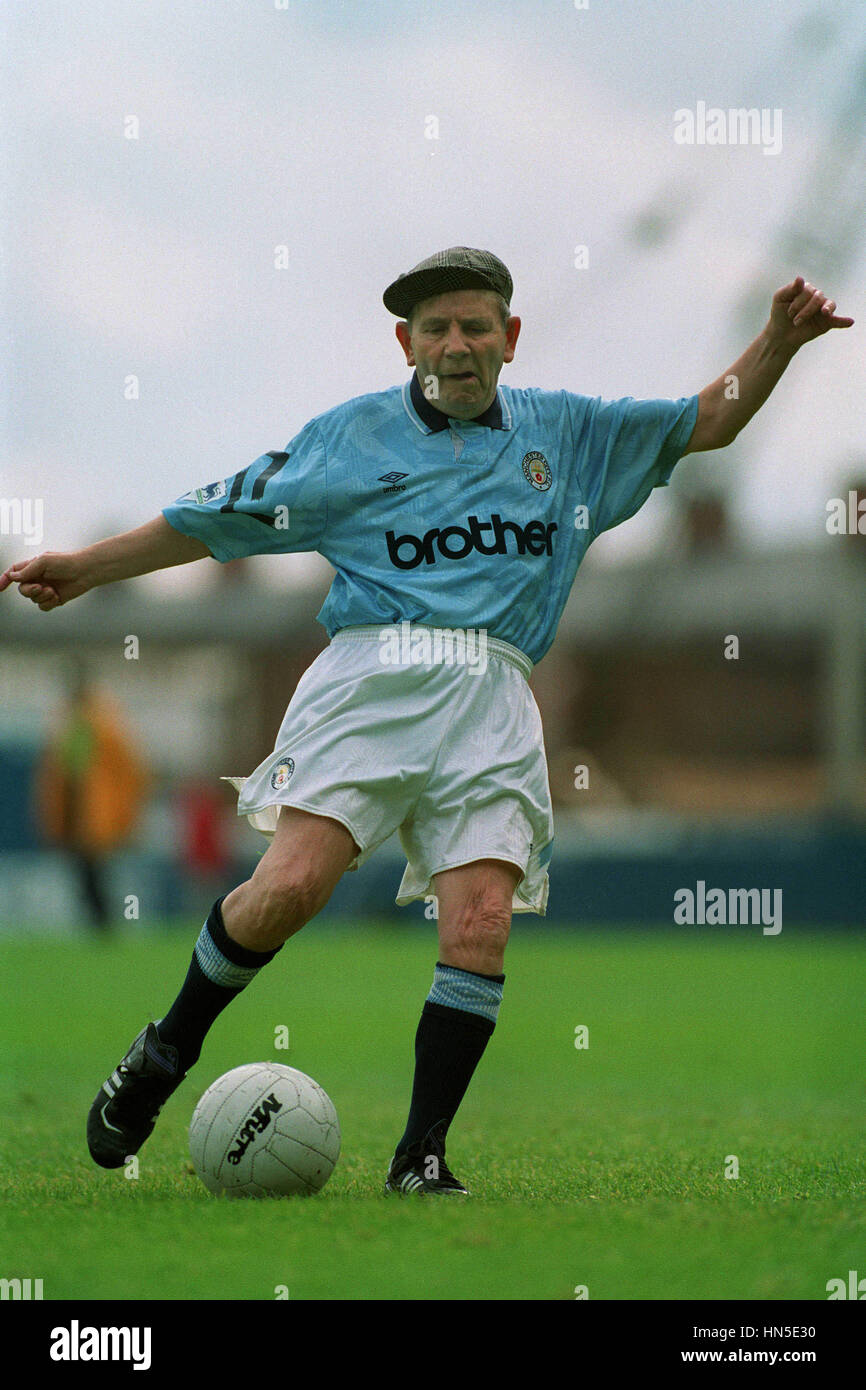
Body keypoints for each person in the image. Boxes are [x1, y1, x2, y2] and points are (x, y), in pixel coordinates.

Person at [0, 248, 852, 1195]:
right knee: (288, 890)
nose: (456, 344)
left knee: (481, 925)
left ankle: (421, 1155)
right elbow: (211, 520)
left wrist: (776, 343)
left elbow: (709, 419)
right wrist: (84, 568)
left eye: (475, 325)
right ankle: (164, 1051)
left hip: (495, 692)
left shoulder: (570, 434)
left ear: (509, 338)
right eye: (436, 328)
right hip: (375, 677)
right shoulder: (349, 440)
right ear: (406, 342)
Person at [33, 667, 148, 930]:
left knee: (94, 872)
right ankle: (98, 925)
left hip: (96, 815)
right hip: (76, 815)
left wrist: (124, 814)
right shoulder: (70, 724)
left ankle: (102, 924)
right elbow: (56, 776)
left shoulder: (103, 724)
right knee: (85, 873)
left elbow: (129, 775)